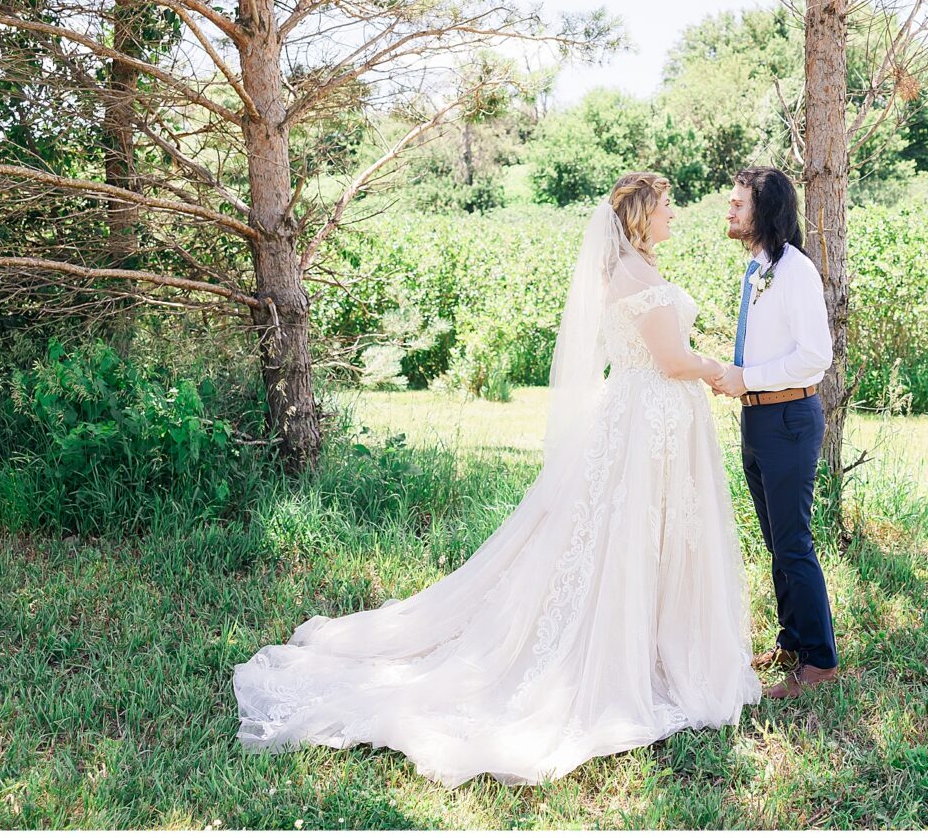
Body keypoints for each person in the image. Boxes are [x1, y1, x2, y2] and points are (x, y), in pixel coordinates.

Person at [233, 171, 761, 788]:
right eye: (668, 206)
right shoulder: (633, 276)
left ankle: (654, 644)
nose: (677, 215)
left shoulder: (630, 270)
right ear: (642, 216)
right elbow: (670, 361)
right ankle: (623, 655)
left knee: (640, 536)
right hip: (647, 422)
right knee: (625, 535)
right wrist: (720, 370)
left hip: (649, 423)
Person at [707, 165, 839, 700]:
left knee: (793, 543)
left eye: (738, 202)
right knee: (775, 542)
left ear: (765, 209)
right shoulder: (760, 269)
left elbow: (815, 357)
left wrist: (748, 379)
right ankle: (791, 640)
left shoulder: (797, 271)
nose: (730, 210)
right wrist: (739, 383)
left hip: (788, 418)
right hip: (758, 417)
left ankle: (820, 662)